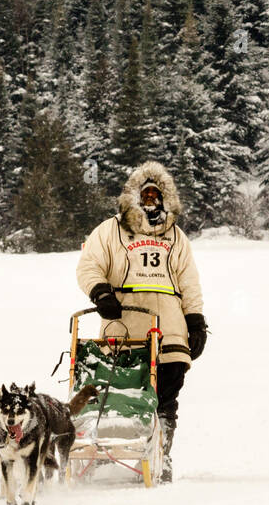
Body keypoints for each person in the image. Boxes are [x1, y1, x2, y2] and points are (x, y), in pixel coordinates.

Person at [75, 160, 207, 483]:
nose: (150, 202)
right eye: (145, 196)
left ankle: (161, 453)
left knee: (165, 398)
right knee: (117, 393)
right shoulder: (111, 231)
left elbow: (189, 282)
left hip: (169, 330)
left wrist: (196, 320)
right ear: (134, 197)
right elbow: (88, 265)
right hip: (123, 329)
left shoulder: (176, 238)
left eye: (155, 196)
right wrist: (100, 293)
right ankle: (105, 449)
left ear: (165, 199)